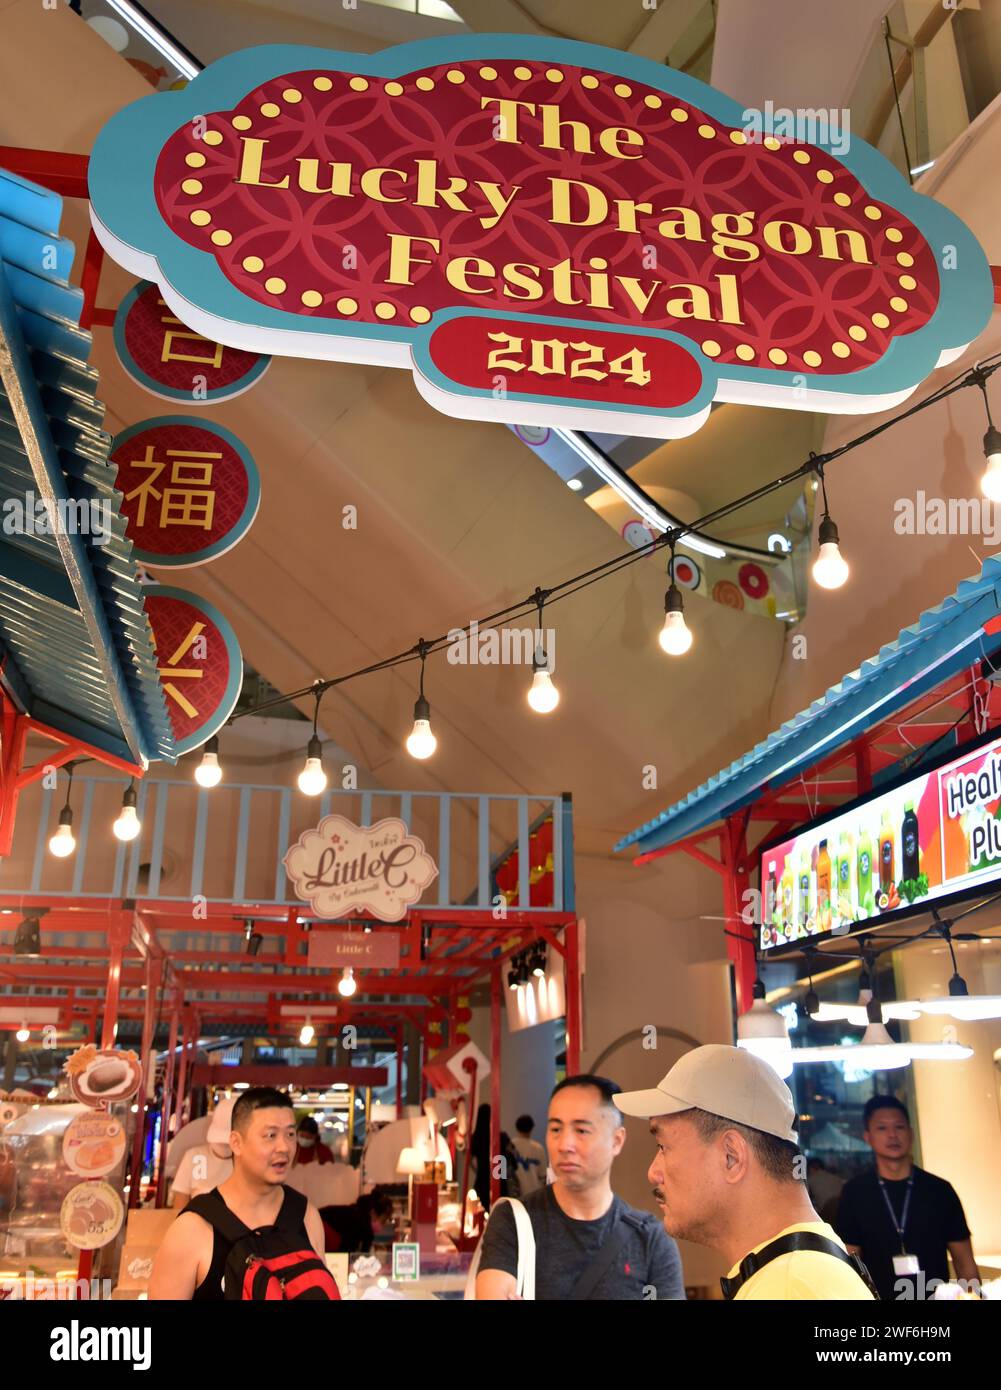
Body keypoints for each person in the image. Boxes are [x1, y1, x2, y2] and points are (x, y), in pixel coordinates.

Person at [616, 1044, 876, 1300]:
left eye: (663, 1147)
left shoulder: (785, 1287)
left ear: (732, 1157)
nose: (653, 1172)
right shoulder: (808, 1268)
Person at [475, 1074, 685, 1300]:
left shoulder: (651, 1239)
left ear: (617, 1140)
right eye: (556, 1129)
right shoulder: (513, 1220)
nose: (565, 1145)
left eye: (581, 1131)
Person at [149, 1086, 327, 1300]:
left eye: (290, 1134)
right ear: (236, 1142)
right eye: (270, 1135)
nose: (284, 1146)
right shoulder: (193, 1228)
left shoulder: (306, 1217)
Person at [836, 1095, 980, 1301]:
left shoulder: (939, 1190)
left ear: (911, 1133)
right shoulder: (855, 1192)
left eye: (899, 1127)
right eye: (882, 1128)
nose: (892, 1135)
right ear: (867, 1137)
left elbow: (965, 1262)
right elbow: (850, 1263)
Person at [170, 1097, 234, 1210]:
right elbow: (179, 1206)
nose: (224, 1146)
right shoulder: (194, 1156)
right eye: (220, 1141)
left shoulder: (248, 1162)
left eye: (227, 1143)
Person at [509, 1114, 548, 1197]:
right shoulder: (538, 1148)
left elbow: (502, 1173)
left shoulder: (510, 1146)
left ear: (517, 1127)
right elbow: (543, 1175)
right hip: (535, 1193)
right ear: (531, 1128)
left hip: (515, 1193)